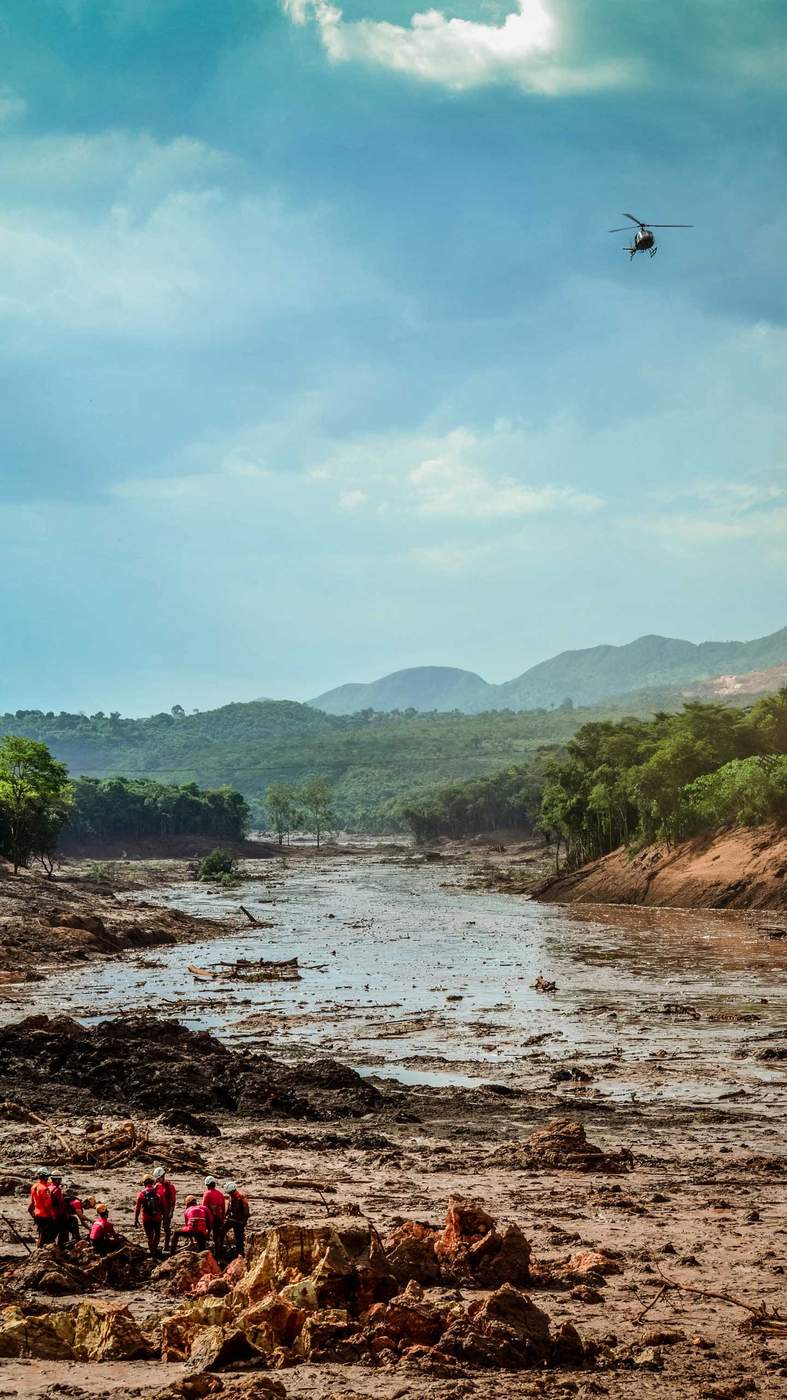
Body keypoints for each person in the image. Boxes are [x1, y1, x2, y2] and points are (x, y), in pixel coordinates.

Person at [134, 1175, 164, 1257]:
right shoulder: (158, 1193)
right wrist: (163, 1215)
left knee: (149, 1237)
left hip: (146, 1218)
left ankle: (152, 1253)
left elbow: (137, 1208)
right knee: (157, 1235)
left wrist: (136, 1219)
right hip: (156, 1217)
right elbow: (162, 1205)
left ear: (144, 1183)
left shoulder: (141, 1194)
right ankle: (155, 1249)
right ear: (152, 1182)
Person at [28, 1169, 57, 1248]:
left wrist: (32, 1212)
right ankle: (41, 1250)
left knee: (41, 1233)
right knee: (46, 1236)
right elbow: (48, 1205)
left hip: (37, 1213)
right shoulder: (44, 1189)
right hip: (45, 1215)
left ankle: (39, 1249)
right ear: (45, 1177)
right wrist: (53, 1216)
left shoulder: (34, 1186)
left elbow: (32, 1202)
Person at [222, 1181, 250, 1257]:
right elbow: (229, 1208)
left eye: (230, 1193)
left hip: (239, 1221)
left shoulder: (241, 1198)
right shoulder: (231, 1197)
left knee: (239, 1239)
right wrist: (224, 1217)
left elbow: (246, 1211)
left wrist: (244, 1222)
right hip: (231, 1219)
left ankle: (240, 1254)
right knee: (221, 1231)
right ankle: (221, 1249)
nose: (229, 1194)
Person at [153, 1167, 177, 1251]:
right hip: (159, 1210)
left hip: (167, 1210)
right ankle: (155, 1245)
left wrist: (171, 1211)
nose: (158, 1180)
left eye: (159, 1178)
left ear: (163, 1176)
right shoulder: (157, 1186)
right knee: (157, 1228)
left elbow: (173, 1200)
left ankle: (166, 1246)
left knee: (166, 1228)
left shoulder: (170, 1186)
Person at [202, 1176, 225, 1256]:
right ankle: (217, 1255)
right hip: (218, 1218)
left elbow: (204, 1207)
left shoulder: (207, 1194)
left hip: (209, 1218)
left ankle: (204, 1254)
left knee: (205, 1236)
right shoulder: (220, 1194)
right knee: (216, 1237)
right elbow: (223, 1208)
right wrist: (222, 1219)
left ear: (207, 1185)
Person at [48, 1173, 69, 1250]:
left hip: (49, 1213)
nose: (60, 1181)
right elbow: (61, 1204)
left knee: (51, 1234)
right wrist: (65, 1214)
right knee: (63, 1232)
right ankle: (62, 1248)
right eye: (60, 1179)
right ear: (57, 1180)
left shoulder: (48, 1188)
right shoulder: (57, 1190)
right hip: (58, 1214)